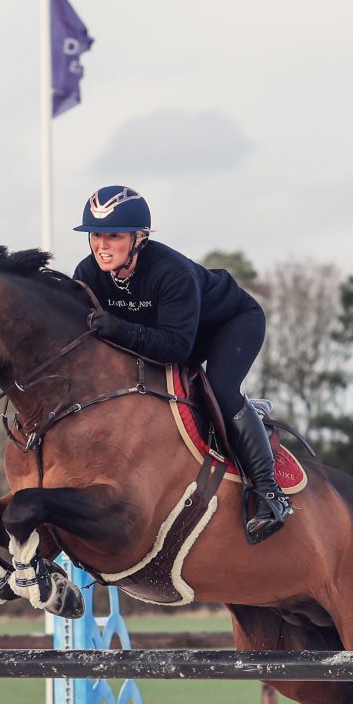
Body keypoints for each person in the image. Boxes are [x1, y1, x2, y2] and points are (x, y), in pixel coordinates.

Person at [72, 185, 292, 543]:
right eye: (96, 235)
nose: (102, 245)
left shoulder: (170, 272)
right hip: (174, 333)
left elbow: (175, 348)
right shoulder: (88, 273)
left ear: (139, 238)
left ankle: (270, 495)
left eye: (114, 235)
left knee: (219, 390)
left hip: (229, 324)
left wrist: (118, 327)